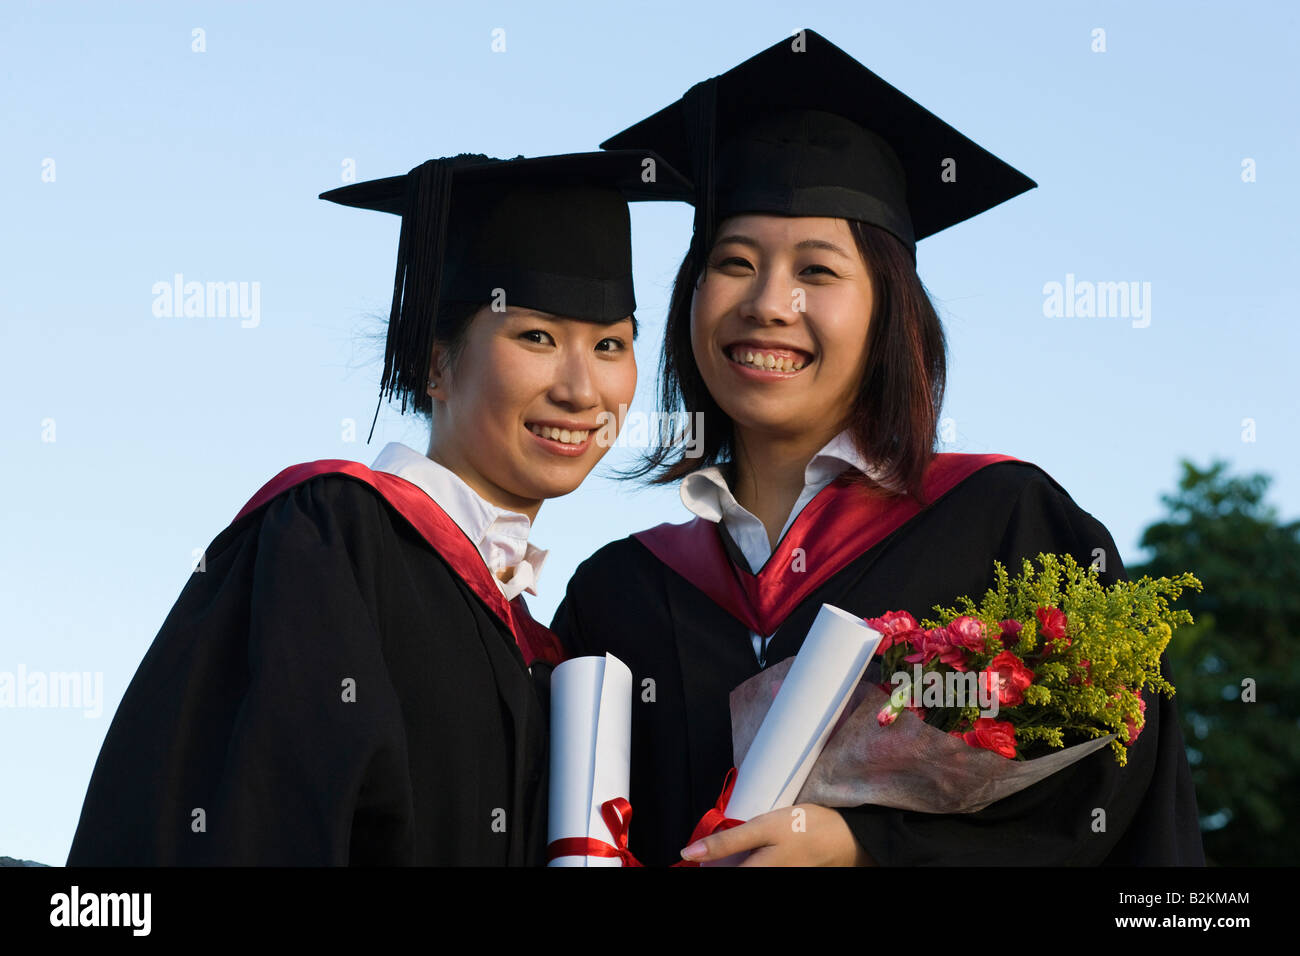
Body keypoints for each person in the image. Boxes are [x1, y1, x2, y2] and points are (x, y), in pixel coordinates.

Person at [551, 31, 1205, 866]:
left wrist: (867, 847)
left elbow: (1115, 812)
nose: (768, 304)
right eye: (734, 262)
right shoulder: (620, 593)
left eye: (817, 273)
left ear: (887, 313)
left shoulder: (1006, 522)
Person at [66, 150, 690, 866]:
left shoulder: (542, 650)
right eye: (537, 337)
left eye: (610, 345)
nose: (582, 390)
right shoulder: (330, 538)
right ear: (434, 363)